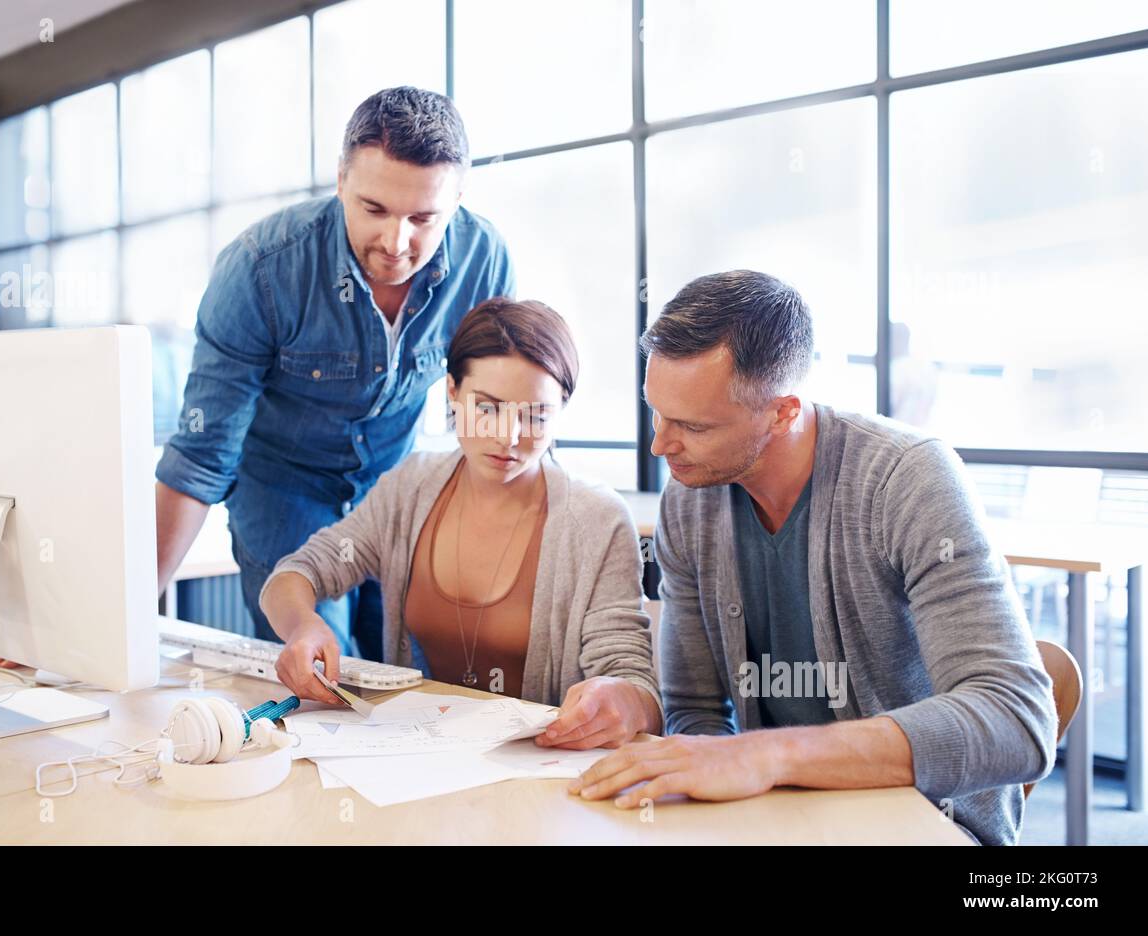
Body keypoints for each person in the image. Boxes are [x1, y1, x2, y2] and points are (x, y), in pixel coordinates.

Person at [570, 270, 1057, 844]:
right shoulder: (689, 502)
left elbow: (1017, 722)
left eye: (693, 426)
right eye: (658, 412)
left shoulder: (908, 478)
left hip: (923, 822)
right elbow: (693, 708)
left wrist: (768, 756)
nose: (660, 444)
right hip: (772, 820)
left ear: (782, 411)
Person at [153, 86, 515, 660]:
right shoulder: (259, 269)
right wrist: (124, 617)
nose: (397, 244)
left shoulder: (484, 259)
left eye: (424, 217)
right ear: (340, 180)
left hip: (395, 483)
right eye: (374, 210)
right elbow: (200, 457)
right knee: (323, 668)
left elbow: (491, 409)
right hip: (281, 487)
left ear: (459, 197)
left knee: (410, 664)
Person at [262, 298, 661, 750]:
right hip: (419, 765)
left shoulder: (596, 520)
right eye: (487, 407)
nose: (507, 437)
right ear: (452, 391)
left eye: (535, 415)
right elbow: (298, 572)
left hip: (538, 779)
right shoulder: (410, 488)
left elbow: (634, 682)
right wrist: (302, 625)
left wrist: (625, 701)